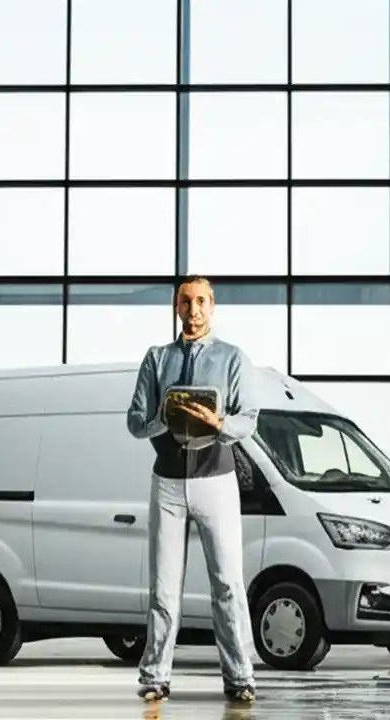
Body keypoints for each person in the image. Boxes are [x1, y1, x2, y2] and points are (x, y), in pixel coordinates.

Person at [125, 275, 259, 704]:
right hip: (167, 484)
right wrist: (166, 415)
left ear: (212, 305)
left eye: (201, 301)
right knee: (164, 589)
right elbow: (134, 422)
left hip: (216, 481)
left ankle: (240, 677)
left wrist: (219, 423)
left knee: (228, 584)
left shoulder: (233, 358)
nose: (194, 310)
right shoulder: (156, 358)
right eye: (186, 301)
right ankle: (154, 677)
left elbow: (249, 418)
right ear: (176, 307)